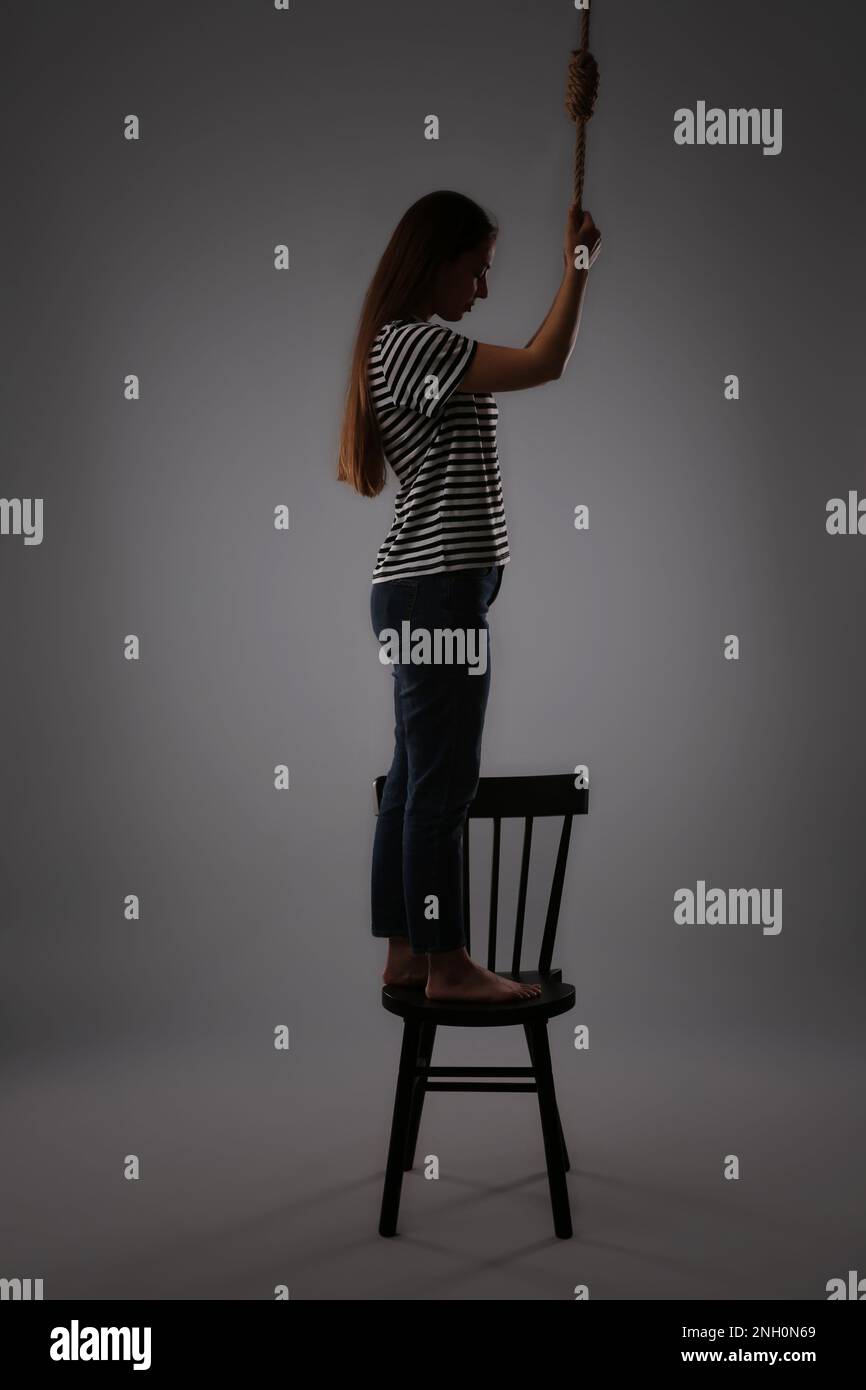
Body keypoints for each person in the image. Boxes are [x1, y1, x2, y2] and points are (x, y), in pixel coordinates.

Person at [337, 190, 601, 1002]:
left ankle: (406, 955)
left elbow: (523, 354)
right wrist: (580, 267)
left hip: (423, 589)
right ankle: (447, 963)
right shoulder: (415, 344)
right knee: (443, 786)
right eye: (478, 270)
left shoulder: (404, 346)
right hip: (438, 592)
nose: (481, 290)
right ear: (438, 260)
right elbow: (547, 362)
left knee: (418, 777)